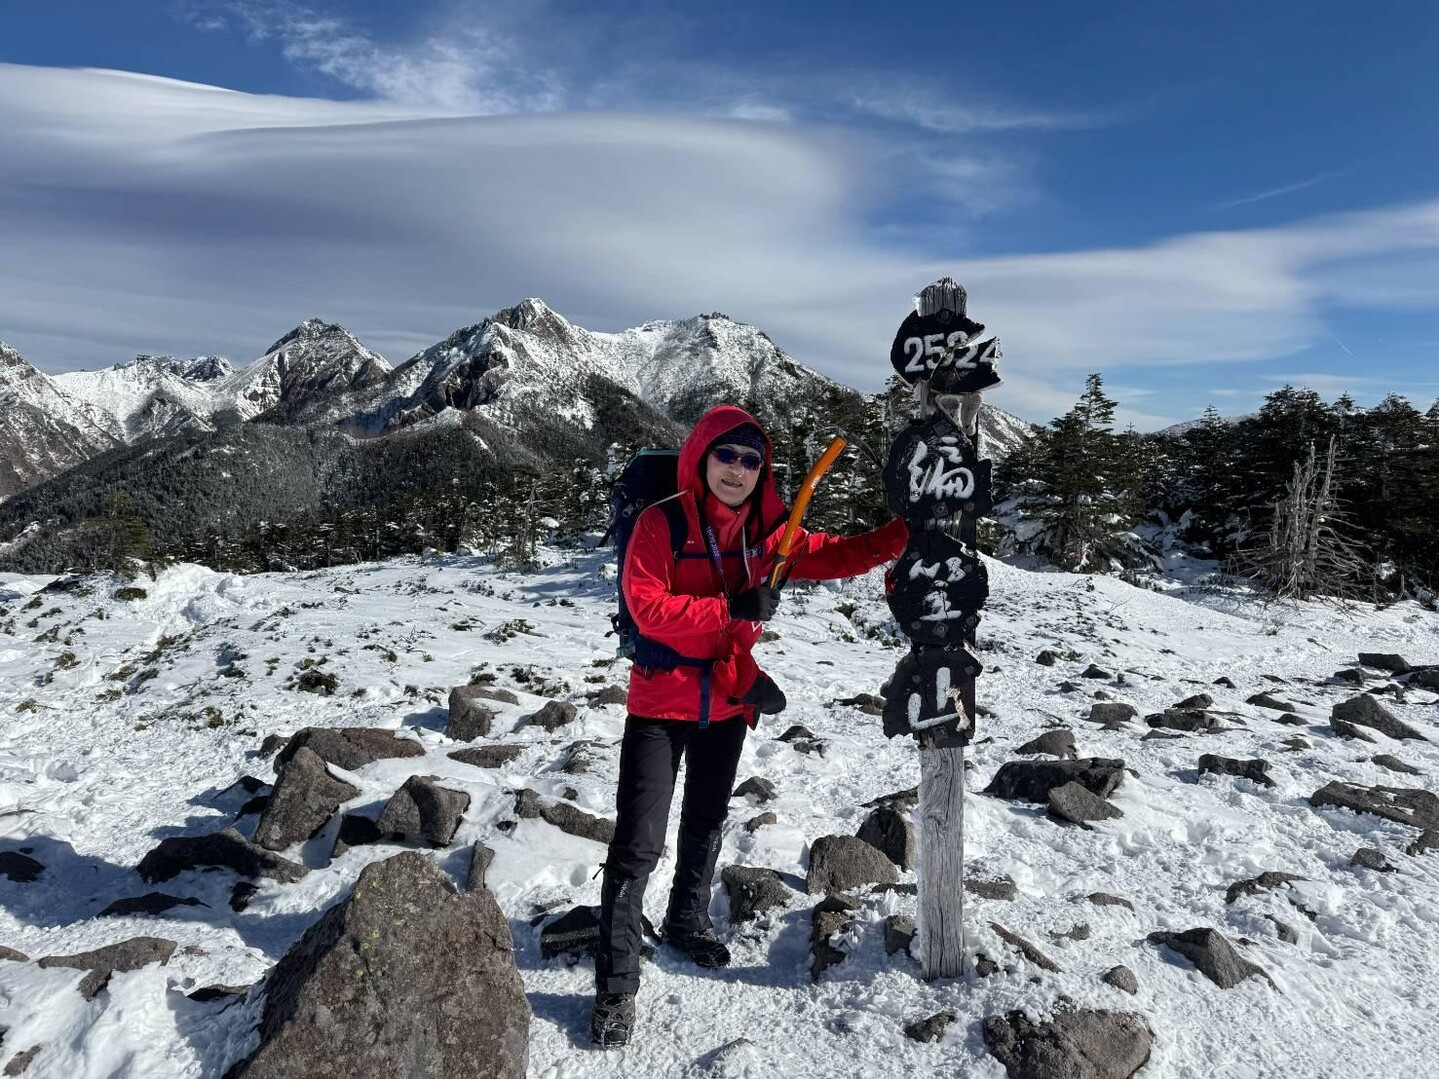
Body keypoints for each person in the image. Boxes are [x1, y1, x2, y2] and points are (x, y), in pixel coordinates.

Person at [590, 404, 908, 1047]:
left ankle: (687, 922)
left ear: (763, 472)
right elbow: (646, 608)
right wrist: (727, 607)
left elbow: (842, 555)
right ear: (702, 457)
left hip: (729, 701)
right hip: (659, 703)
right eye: (725, 455)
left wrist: (907, 532)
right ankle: (617, 986)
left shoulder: (772, 535)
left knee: (706, 820)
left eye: (750, 459)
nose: (736, 469)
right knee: (637, 843)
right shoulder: (663, 521)